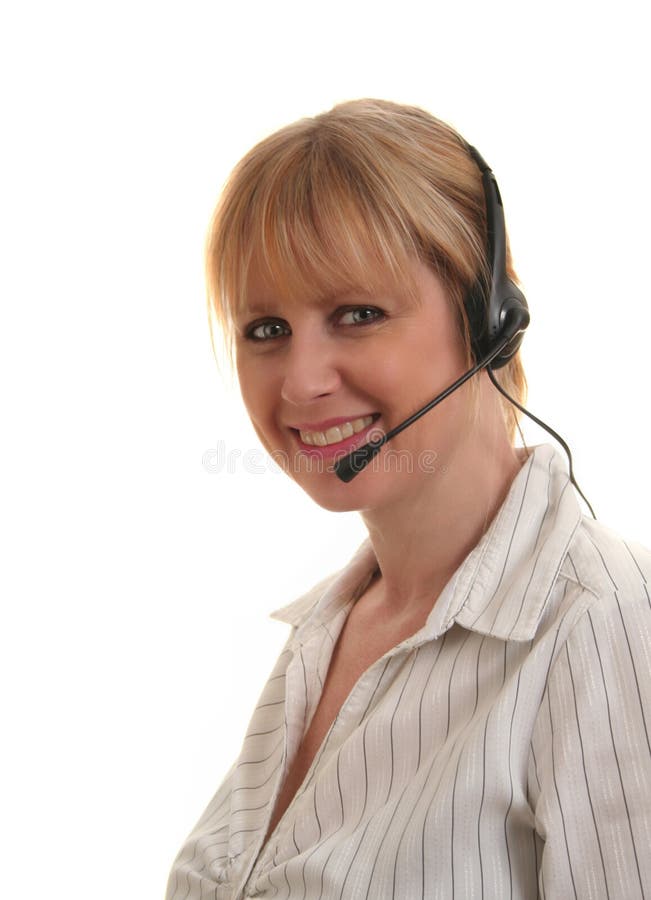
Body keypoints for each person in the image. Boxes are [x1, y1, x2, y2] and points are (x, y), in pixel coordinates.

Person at [165, 99, 651, 899]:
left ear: (491, 322)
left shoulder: (606, 629)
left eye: (357, 314)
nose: (301, 380)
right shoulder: (324, 636)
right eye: (265, 329)